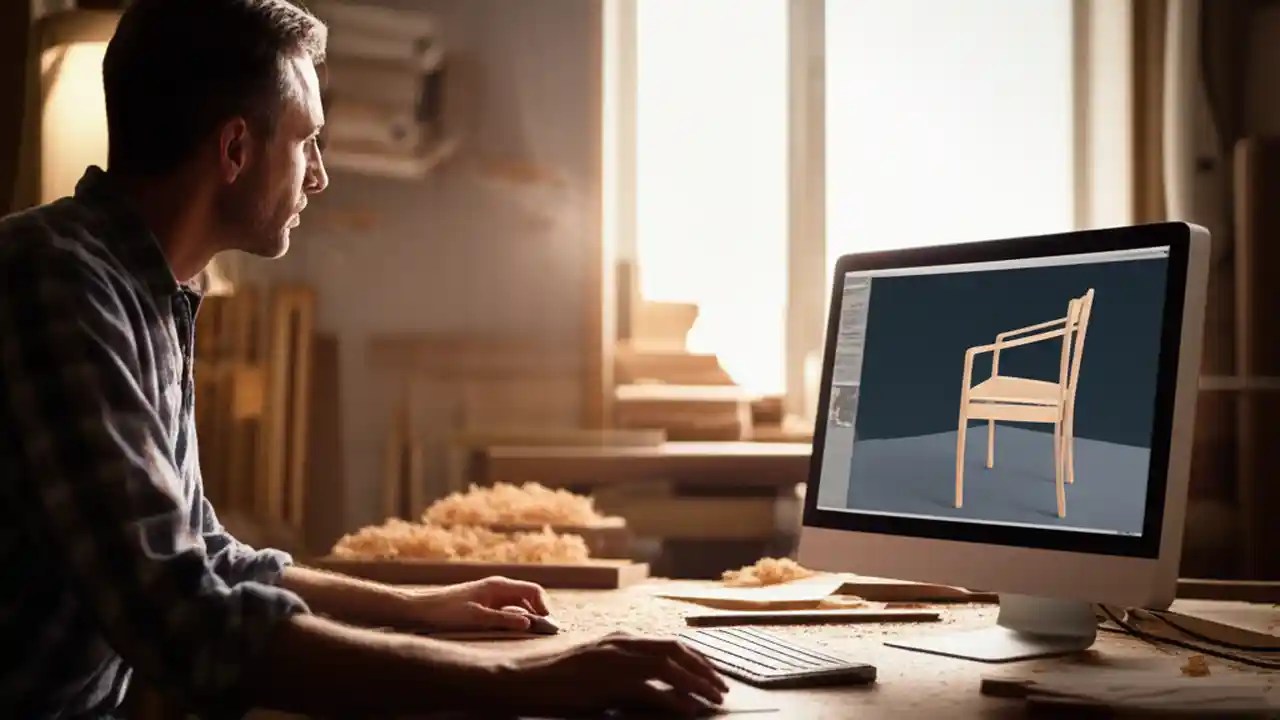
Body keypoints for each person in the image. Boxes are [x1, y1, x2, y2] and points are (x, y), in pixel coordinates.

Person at [0, 1, 728, 717]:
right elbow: (179, 615)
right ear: (234, 150)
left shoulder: (145, 288)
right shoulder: (54, 283)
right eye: (306, 142)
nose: (317, 176)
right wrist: (521, 679)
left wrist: (416, 607)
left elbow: (209, 556)